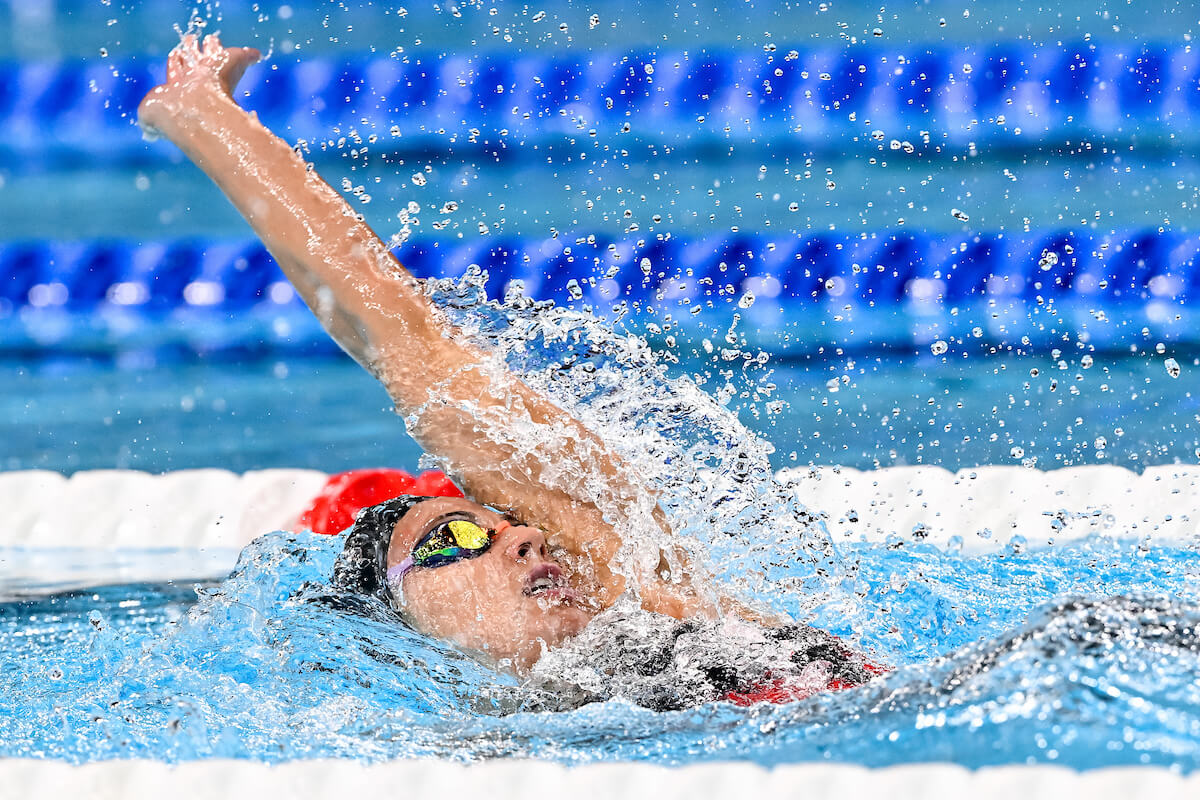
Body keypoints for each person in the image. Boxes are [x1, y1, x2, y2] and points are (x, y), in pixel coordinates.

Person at [138, 34, 880, 708]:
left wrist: (209, 119)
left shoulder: (677, 627)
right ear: (398, 636)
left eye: (515, 523)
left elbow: (414, 352)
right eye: (453, 539)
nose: (525, 539)